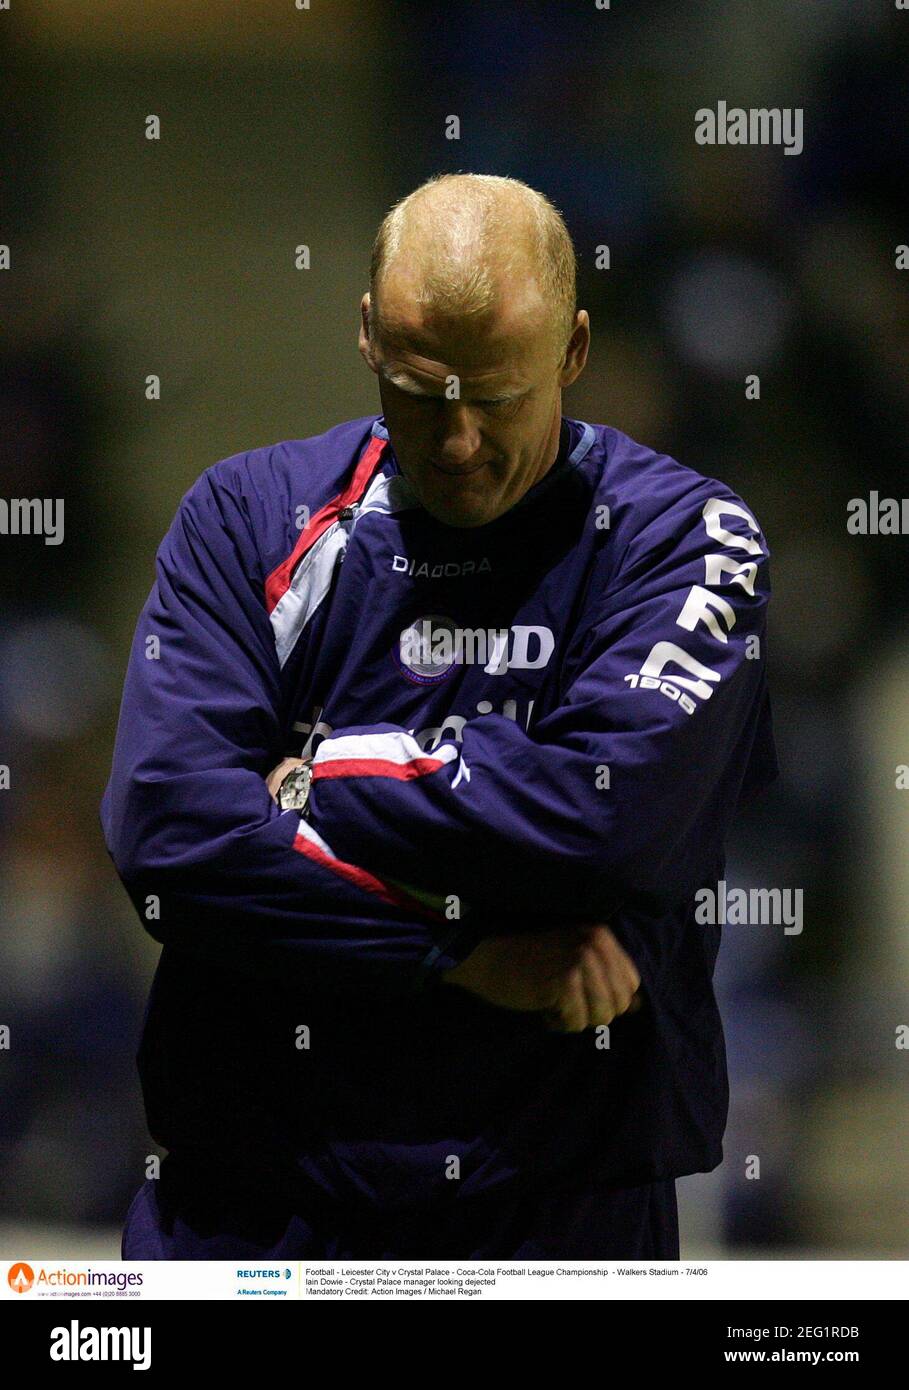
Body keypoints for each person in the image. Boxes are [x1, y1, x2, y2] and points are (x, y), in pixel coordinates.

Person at [101, 172, 778, 1260]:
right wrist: (456, 948)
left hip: (563, 1216)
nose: (458, 441)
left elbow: (613, 822)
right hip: (254, 1211)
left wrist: (310, 780)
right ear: (367, 333)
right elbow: (175, 836)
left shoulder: (684, 536)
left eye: (496, 395)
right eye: (421, 391)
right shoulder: (244, 518)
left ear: (574, 351)